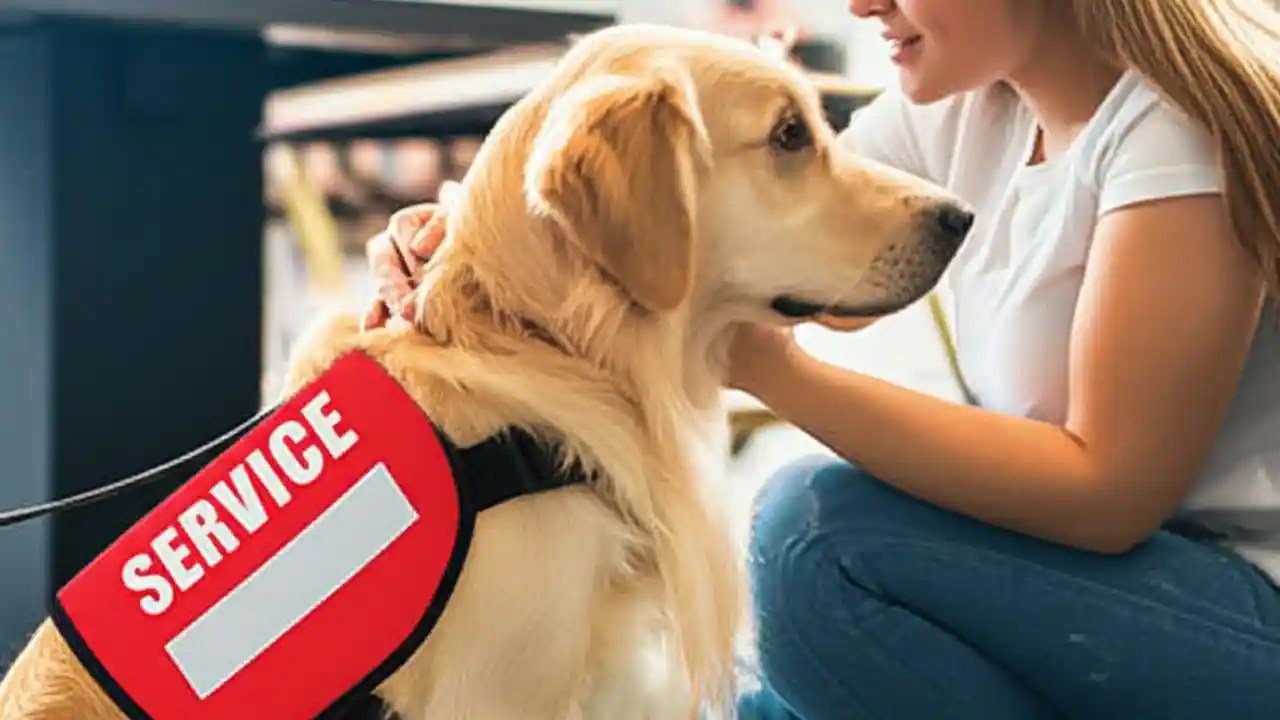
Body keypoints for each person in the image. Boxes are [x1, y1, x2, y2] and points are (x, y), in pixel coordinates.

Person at [363, 1, 1280, 717]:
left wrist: (771, 369)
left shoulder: (1173, 135)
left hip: (1236, 621)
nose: (862, 3)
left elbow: (1109, 494)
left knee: (817, 540)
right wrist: (473, 239)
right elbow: (738, 222)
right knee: (761, 703)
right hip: (1085, 602)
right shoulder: (974, 108)